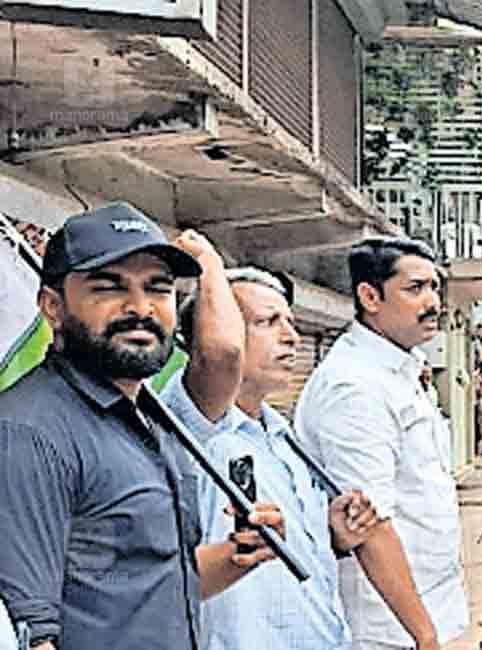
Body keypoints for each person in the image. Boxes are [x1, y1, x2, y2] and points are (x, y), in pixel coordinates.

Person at [0, 203, 286, 650]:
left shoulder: (148, 419)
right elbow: (29, 632)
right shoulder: (27, 433)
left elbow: (147, 588)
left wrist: (237, 555)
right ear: (52, 307)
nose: (140, 308)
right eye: (109, 288)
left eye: (158, 289)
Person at [162, 266, 403, 650]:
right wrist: (206, 261)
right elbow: (217, 356)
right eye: (267, 322)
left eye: (289, 322)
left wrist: (333, 537)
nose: (291, 337)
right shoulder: (193, 424)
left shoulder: (282, 438)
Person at [296, 236, 466, 650]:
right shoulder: (354, 386)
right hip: (387, 624)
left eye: (435, 287)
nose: (433, 302)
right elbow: (369, 525)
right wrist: (423, 636)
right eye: (415, 289)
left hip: (431, 602)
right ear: (370, 296)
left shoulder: (402, 369)